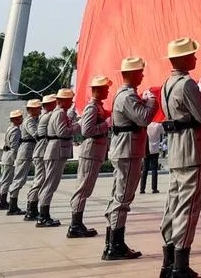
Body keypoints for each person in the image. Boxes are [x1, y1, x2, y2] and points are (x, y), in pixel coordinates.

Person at [159, 37, 201, 278]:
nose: (195, 58)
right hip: (191, 149)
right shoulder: (186, 84)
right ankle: (180, 267)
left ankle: (168, 263)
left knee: (173, 206)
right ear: (181, 58)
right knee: (188, 209)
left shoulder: (166, 84)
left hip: (176, 150)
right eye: (192, 54)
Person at [103, 59, 158, 261]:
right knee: (123, 199)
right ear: (133, 73)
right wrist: (152, 101)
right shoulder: (127, 96)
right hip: (128, 151)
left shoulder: (125, 94)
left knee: (119, 196)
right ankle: (115, 245)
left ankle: (112, 242)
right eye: (140, 72)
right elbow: (143, 118)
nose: (142, 76)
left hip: (126, 149)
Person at [69, 75, 113, 239]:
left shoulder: (98, 107)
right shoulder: (91, 108)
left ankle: (78, 223)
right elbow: (86, 131)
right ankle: (75, 224)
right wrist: (106, 124)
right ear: (97, 90)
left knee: (86, 188)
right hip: (91, 150)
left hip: (96, 150)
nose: (107, 91)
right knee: (83, 187)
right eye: (105, 89)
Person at [39, 88, 78, 228]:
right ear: (61, 101)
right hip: (56, 151)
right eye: (69, 100)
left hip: (55, 150)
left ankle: (43, 214)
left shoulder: (60, 113)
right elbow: (62, 132)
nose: (71, 102)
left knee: (50, 184)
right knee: (50, 184)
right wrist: (77, 126)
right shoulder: (60, 113)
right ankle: (43, 215)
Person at [6, 100, 42, 216]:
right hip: (26, 149)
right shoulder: (29, 121)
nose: (40, 110)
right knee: (19, 178)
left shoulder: (36, 120)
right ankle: (12, 204)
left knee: (22, 178)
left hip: (32, 148)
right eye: (37, 108)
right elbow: (35, 134)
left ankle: (14, 204)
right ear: (30, 110)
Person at [27, 94, 57, 222]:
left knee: (40, 180)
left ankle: (33, 208)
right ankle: (32, 209)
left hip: (41, 151)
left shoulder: (43, 117)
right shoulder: (49, 116)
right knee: (40, 180)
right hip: (41, 151)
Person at [0, 111, 23, 210]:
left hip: (5, 156)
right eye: (20, 117)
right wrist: (15, 159)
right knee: (6, 180)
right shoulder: (16, 131)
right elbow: (14, 147)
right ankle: (2, 202)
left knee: (3, 179)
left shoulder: (10, 128)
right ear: (15, 120)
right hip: (9, 157)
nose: (22, 119)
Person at [141, 120, 164, 194]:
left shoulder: (145, 125)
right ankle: (154, 188)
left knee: (145, 169)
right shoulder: (158, 125)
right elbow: (163, 132)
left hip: (146, 148)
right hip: (155, 150)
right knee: (154, 169)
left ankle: (142, 188)